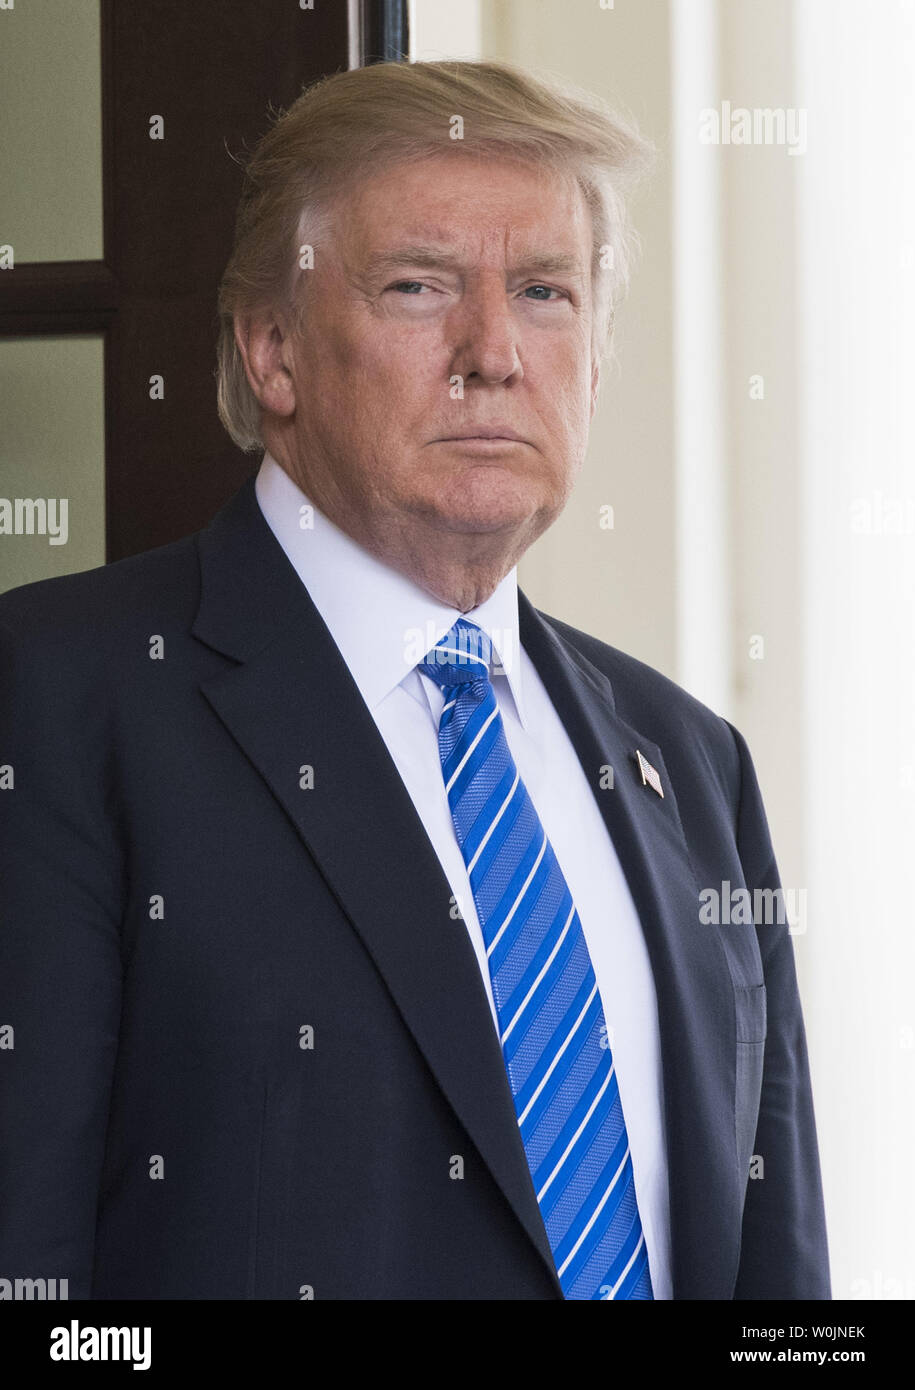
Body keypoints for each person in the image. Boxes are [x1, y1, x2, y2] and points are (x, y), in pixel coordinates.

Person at [0, 59, 830, 1300]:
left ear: (595, 361)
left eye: (545, 292)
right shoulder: (60, 697)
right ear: (272, 349)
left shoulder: (692, 762)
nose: (492, 352)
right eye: (418, 287)